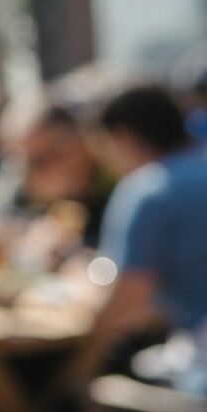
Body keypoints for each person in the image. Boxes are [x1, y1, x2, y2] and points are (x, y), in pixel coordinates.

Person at [88, 86, 207, 354]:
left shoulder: (145, 190)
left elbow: (121, 311)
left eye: (104, 147)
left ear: (124, 138)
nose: (106, 162)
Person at [11, 101, 115, 244]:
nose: (29, 175)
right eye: (21, 162)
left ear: (77, 145)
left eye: (39, 160)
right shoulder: (31, 197)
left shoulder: (119, 185)